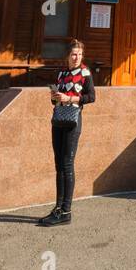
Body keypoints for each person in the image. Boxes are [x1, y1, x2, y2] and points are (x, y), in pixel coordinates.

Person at [39, 39, 95, 226]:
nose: (77, 57)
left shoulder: (85, 73)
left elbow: (91, 97)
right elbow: (56, 101)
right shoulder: (62, 73)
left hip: (73, 122)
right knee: (59, 165)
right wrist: (55, 97)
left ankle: (66, 211)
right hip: (58, 121)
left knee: (67, 164)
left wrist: (69, 98)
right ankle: (58, 208)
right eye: (73, 54)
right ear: (67, 56)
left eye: (79, 54)